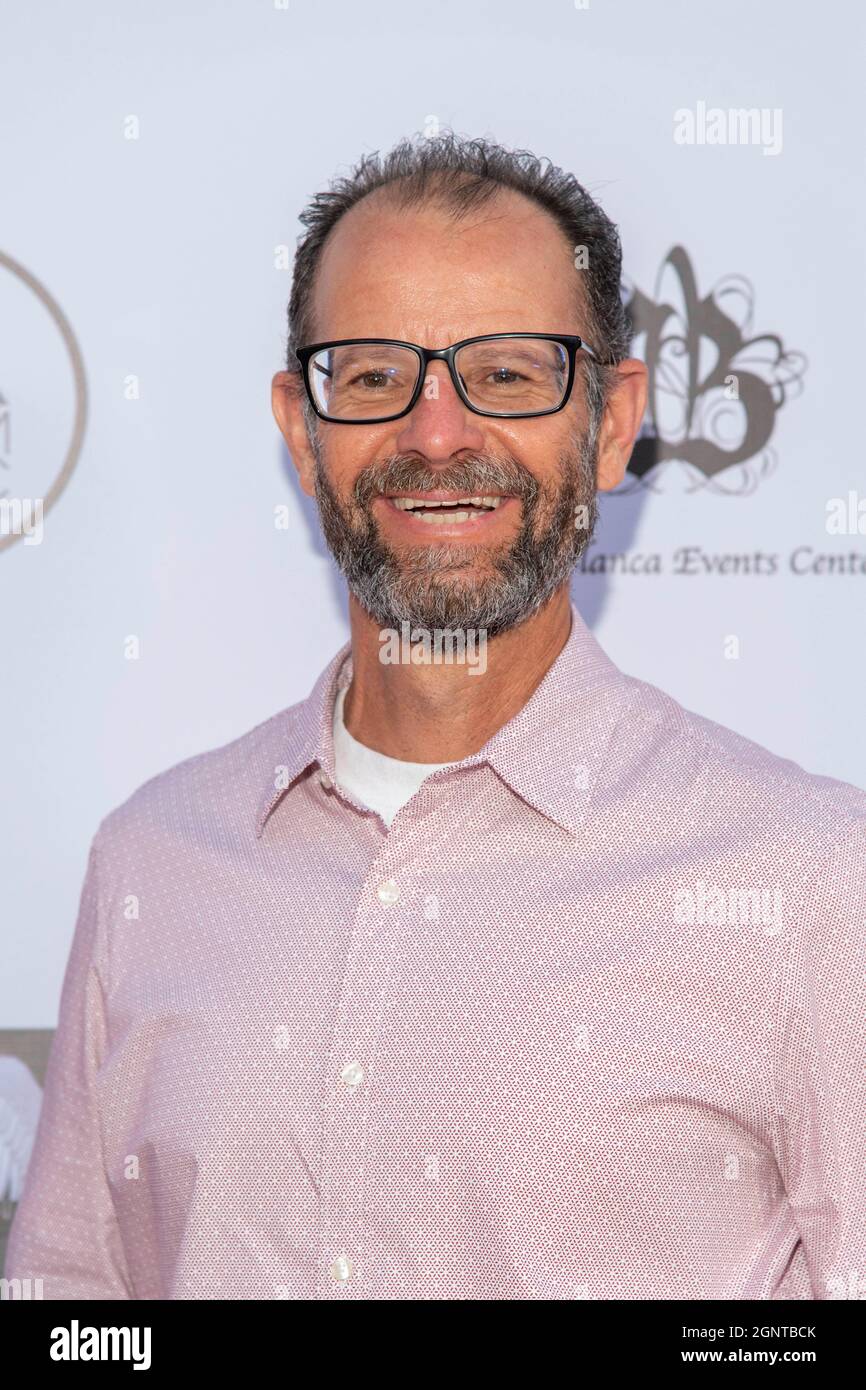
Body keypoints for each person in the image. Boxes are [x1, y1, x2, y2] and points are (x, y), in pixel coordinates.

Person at [6, 133, 864, 1301]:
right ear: (302, 432)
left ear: (611, 423)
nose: (435, 432)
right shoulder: (153, 860)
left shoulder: (807, 879)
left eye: (507, 373)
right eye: (370, 376)